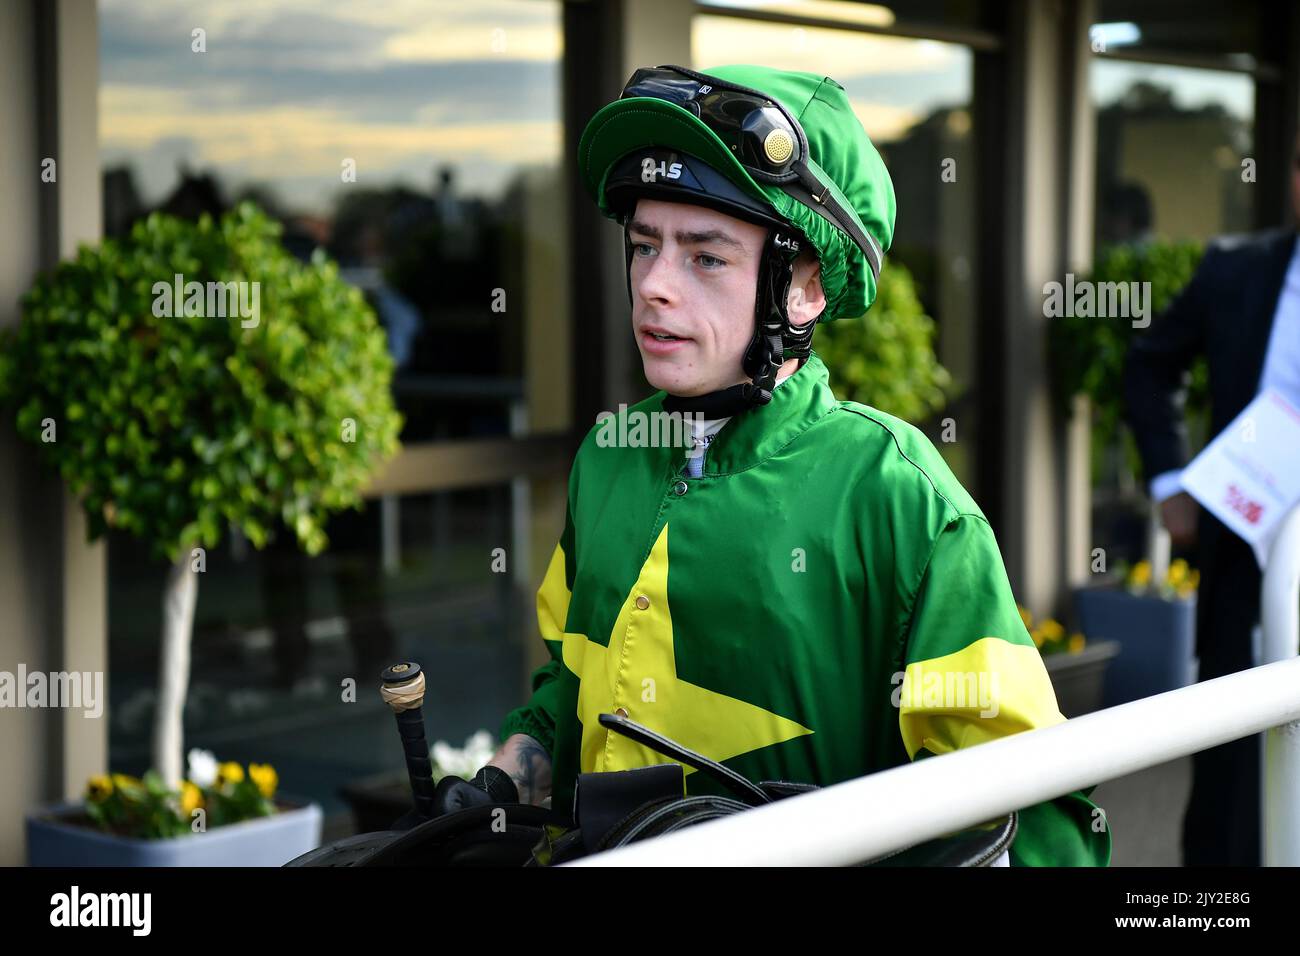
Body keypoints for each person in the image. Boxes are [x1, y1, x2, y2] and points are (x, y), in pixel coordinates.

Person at [434, 63, 1111, 866]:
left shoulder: (900, 495)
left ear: (805, 288)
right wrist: (504, 778)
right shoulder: (607, 459)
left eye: (705, 257)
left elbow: (1031, 813)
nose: (653, 285)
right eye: (645, 245)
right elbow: (567, 688)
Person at [1121, 132, 1300, 867]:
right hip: (1241, 554)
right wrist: (1170, 484)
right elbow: (1149, 364)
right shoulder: (1237, 270)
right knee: (1229, 775)